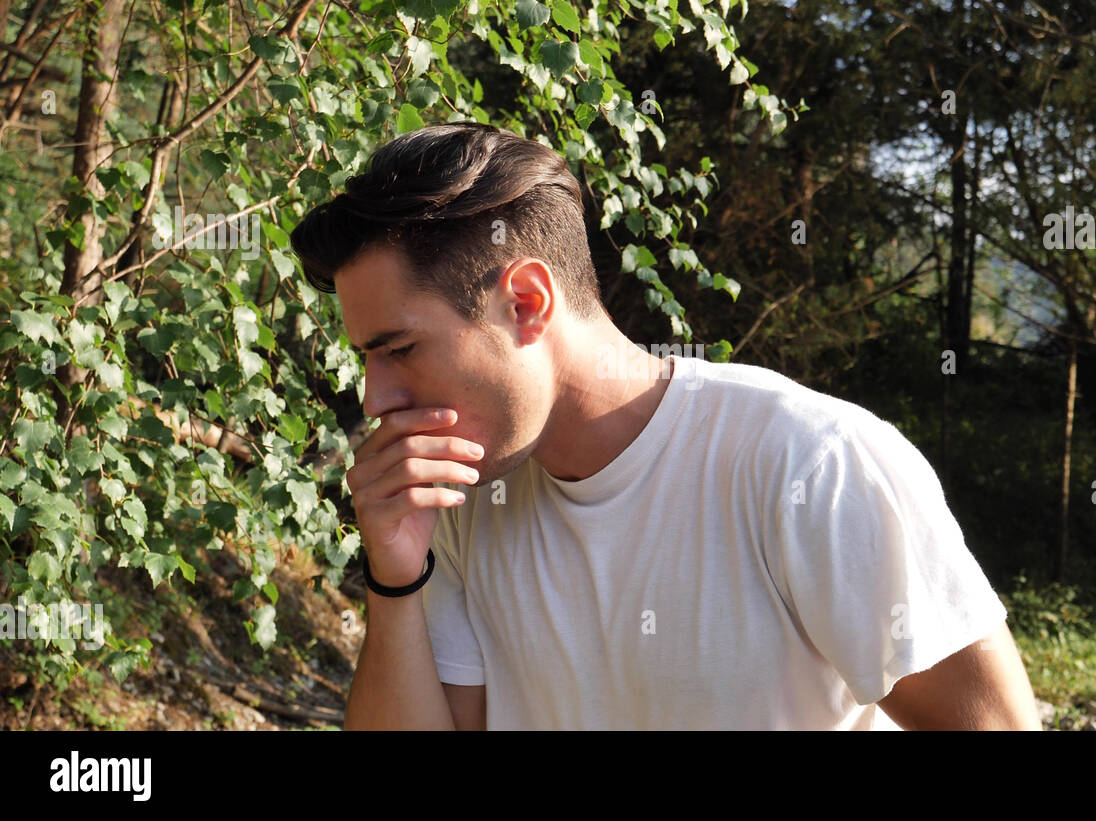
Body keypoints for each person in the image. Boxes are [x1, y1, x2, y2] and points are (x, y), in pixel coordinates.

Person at [289, 122, 1041, 730]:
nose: (376, 397)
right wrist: (393, 575)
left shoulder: (808, 464)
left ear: (525, 302)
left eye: (398, 350)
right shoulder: (458, 502)